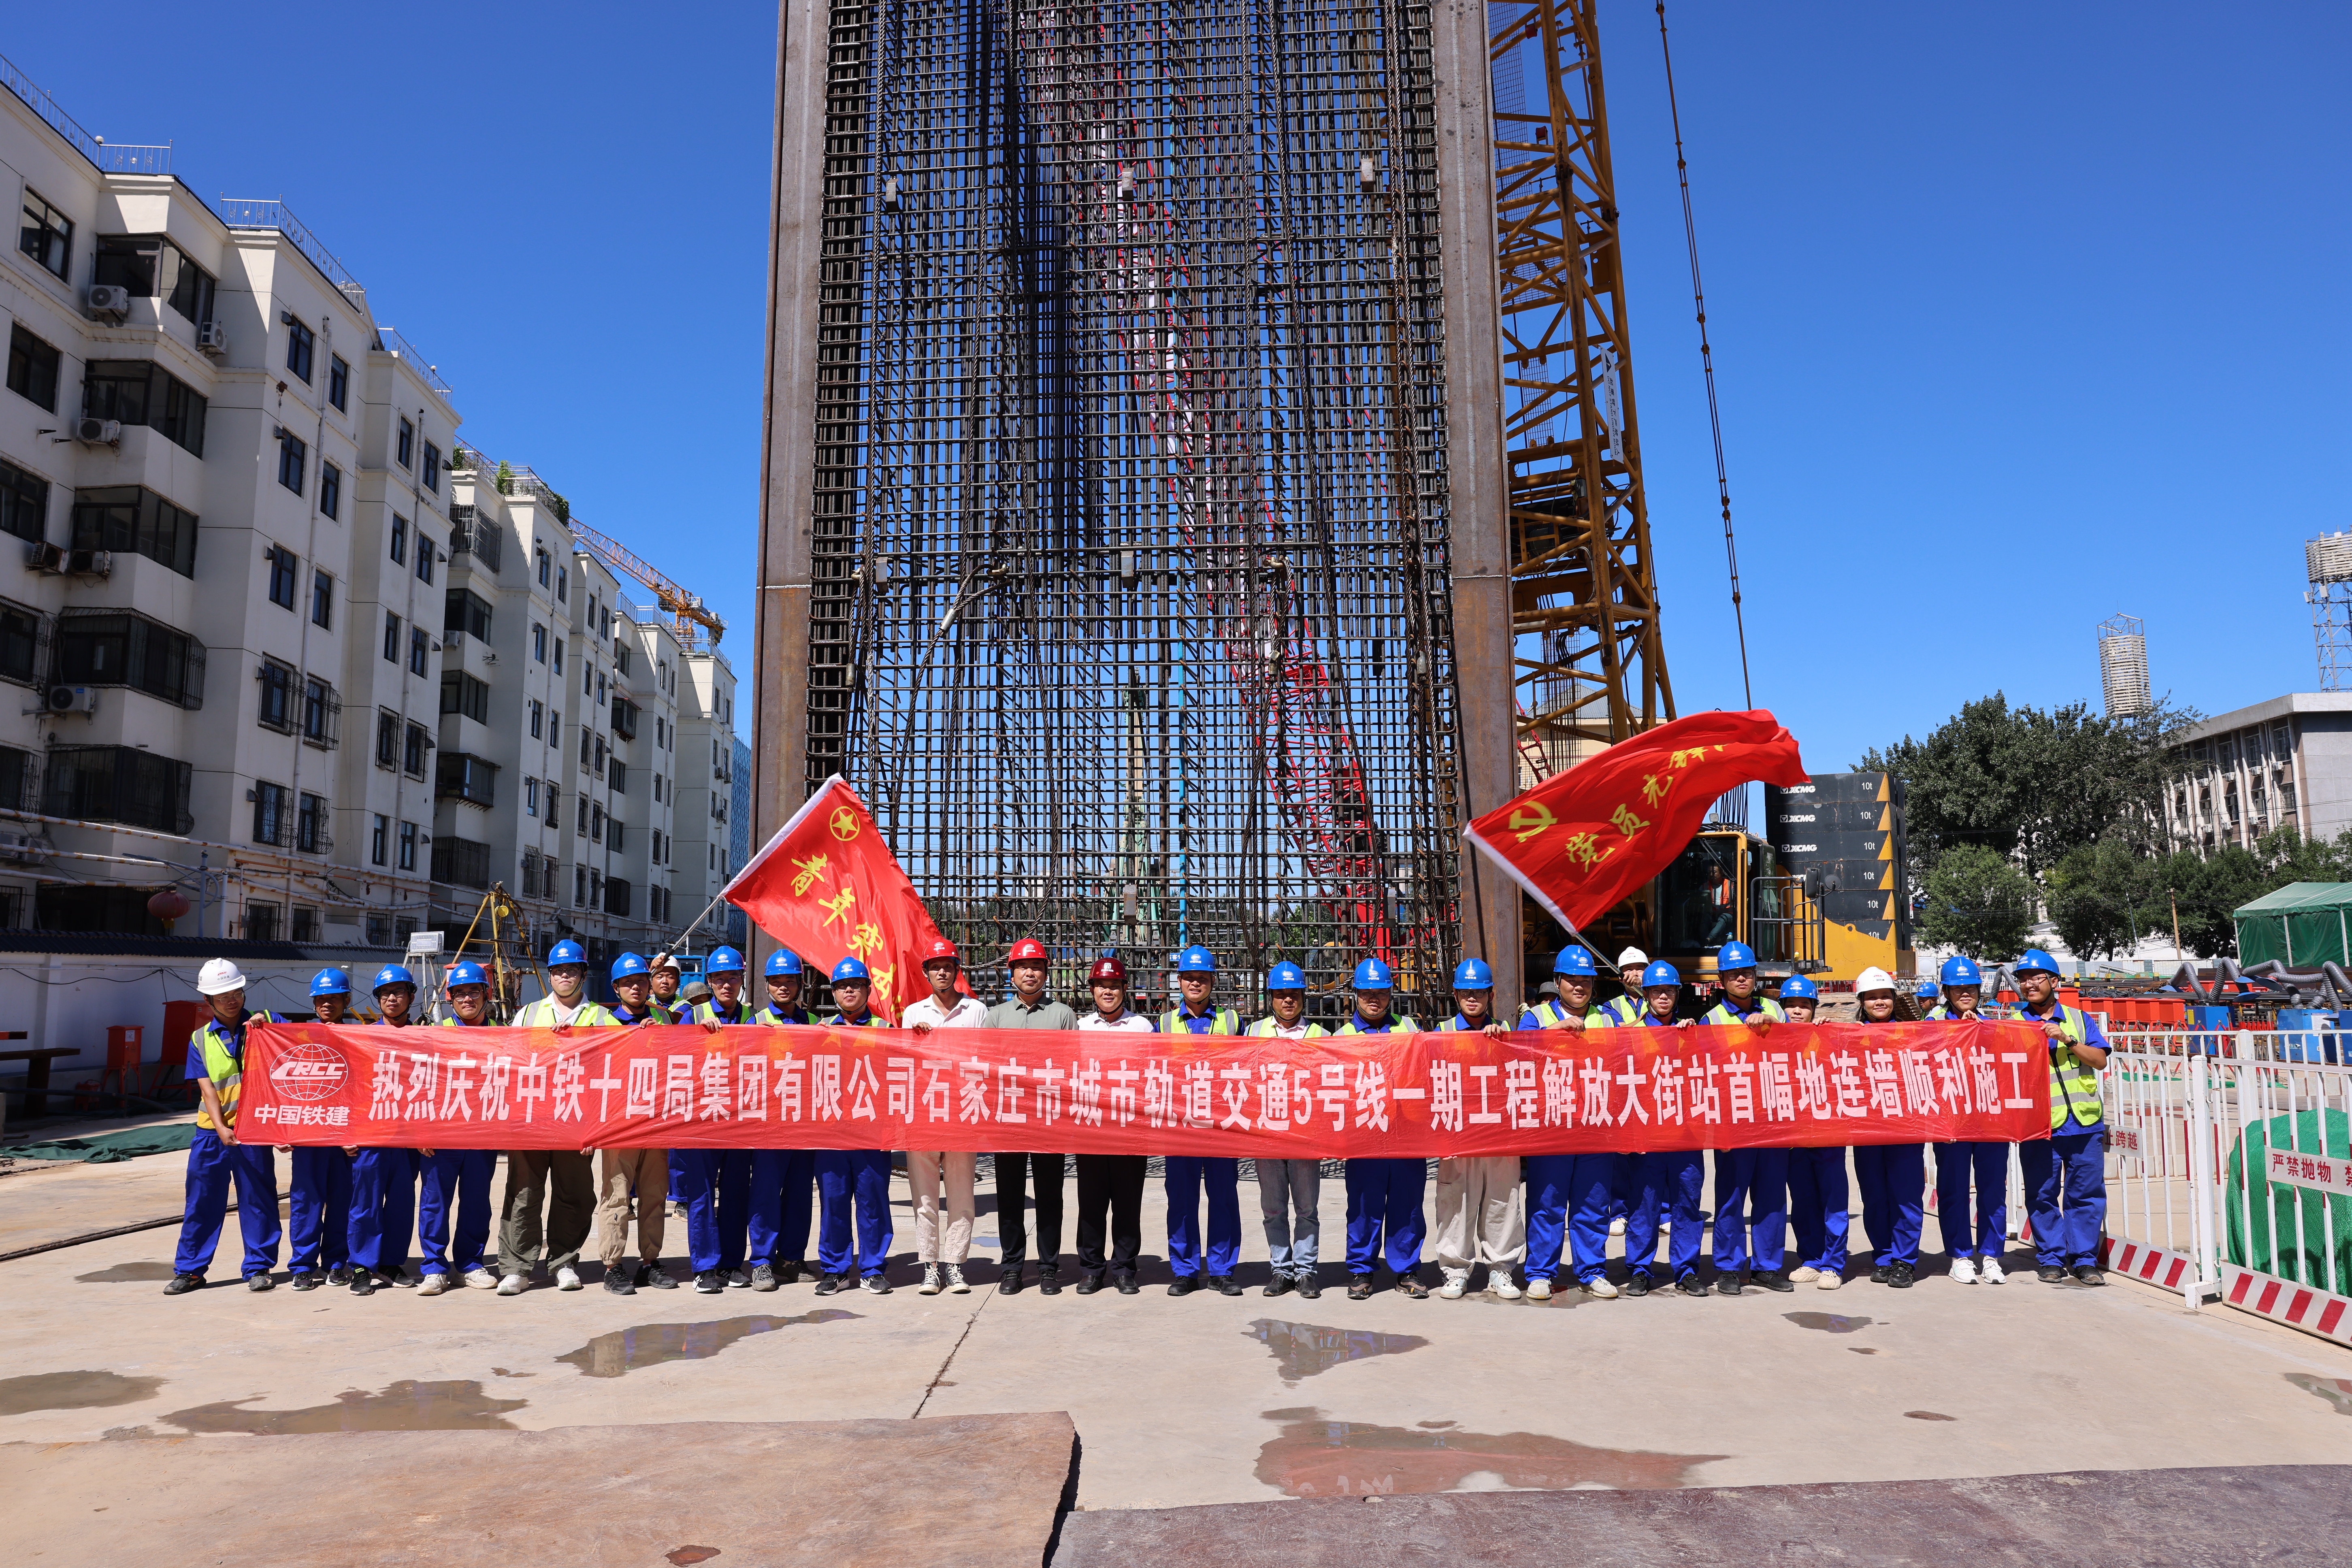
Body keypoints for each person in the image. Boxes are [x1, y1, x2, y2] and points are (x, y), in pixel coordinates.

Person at [165, 959, 286, 1294]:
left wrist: (269, 1025)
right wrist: (220, 1128)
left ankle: (259, 1268)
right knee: (203, 1202)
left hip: (254, 1131)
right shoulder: (199, 1039)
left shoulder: (267, 1023)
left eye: (236, 992)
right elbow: (207, 1088)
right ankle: (190, 1271)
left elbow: (300, 1044)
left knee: (258, 1200)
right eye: (222, 996)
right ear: (208, 1001)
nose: (231, 1000)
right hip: (211, 1133)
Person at [494, 954, 613, 1295]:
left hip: (577, 1121)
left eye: (571, 970)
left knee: (573, 1195)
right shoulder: (529, 1014)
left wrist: (597, 1128)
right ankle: (517, 1268)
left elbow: (616, 1069)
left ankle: (564, 1262)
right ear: (550, 976)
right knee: (523, 1194)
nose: (565, 976)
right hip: (532, 1119)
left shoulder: (602, 1017)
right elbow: (511, 1063)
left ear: (583, 975)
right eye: (559, 971)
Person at [1522, 944, 1619, 1300]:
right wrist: (1555, 1033)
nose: (1579, 987)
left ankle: (1592, 1270)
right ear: (1558, 982)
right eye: (1572, 981)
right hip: (1553, 1126)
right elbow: (1521, 1057)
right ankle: (1540, 1273)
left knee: (1592, 1204)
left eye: (1586, 982)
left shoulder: (1608, 1019)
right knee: (1547, 1204)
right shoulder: (1537, 1017)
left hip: (1594, 1123)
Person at [2012, 948, 2110, 1285]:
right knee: (2042, 1195)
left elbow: (2099, 1060)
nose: (2029, 985)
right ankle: (2051, 1257)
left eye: (2036, 978)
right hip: (2040, 1127)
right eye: (2023, 980)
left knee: (2086, 1195)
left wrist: (2067, 1040)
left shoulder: (2080, 1020)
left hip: (2084, 1124)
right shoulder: (2015, 1024)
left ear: (2054, 981)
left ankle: (2084, 1259)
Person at [1700, 942, 1793, 1295]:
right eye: (1734, 974)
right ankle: (1728, 1267)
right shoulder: (1712, 1019)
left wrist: (1772, 1024)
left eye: (1748, 972)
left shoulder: (1774, 1009)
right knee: (1731, 1197)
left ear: (1756, 975)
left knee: (1771, 1197)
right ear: (1722, 980)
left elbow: (1795, 1048)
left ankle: (1767, 1267)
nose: (1742, 978)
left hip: (1772, 1117)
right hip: (1733, 1122)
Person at [1432, 958, 1526, 1301]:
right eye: (1466, 992)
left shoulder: (1506, 1033)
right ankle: (1455, 1271)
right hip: (1457, 1134)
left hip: (1499, 1135)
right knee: (1455, 1204)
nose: (1473, 998)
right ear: (1456, 994)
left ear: (1490, 995)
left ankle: (1501, 1270)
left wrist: (1503, 1043)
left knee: (1503, 1202)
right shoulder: (1440, 1033)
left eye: (1480, 993)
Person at [987, 937, 1076, 1295]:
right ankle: (1011, 1269)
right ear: (1012, 975)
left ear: (1046, 973)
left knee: (1049, 1196)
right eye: (1023, 967)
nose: (1030, 973)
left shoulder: (1063, 1015)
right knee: (1009, 1196)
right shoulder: (996, 1017)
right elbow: (985, 1069)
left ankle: (1048, 1268)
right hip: (1008, 1119)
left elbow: (1073, 1067)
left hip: (1049, 1120)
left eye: (1037, 967)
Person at [1616, 960, 1707, 1297]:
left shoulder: (1692, 1031)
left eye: (1669, 990)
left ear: (1677, 993)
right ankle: (1640, 1269)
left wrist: (1691, 1037)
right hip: (1648, 1135)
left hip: (1686, 1135)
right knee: (1644, 1205)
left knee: (1687, 1204)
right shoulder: (1634, 1032)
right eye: (1656, 991)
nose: (1663, 996)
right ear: (1647, 994)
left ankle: (1686, 1269)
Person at [1338, 959, 1427, 1300]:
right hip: (1364, 1136)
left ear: (1391, 993)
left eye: (1381, 992)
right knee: (1363, 1205)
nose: (1373, 999)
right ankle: (1361, 1271)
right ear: (1356, 995)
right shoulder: (1343, 1038)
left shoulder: (1409, 1029)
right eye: (1366, 993)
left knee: (1408, 1204)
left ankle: (1407, 1269)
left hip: (1406, 1134)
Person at [1159, 944, 1244, 1298]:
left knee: (1223, 1197)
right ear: (1179, 981)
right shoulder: (1164, 1023)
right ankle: (1185, 1270)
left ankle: (1222, 1270)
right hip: (1181, 1125)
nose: (1196, 983)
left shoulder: (1233, 1021)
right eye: (1190, 978)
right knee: (1181, 1199)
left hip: (1222, 1124)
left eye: (1203, 978)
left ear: (1213, 981)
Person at [414, 966, 505, 1297]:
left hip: (484, 1135)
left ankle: (470, 1264)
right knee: (435, 1202)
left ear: (487, 995)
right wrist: (421, 1131)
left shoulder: (506, 1036)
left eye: (475, 992)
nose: (468, 999)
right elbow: (422, 1085)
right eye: (460, 993)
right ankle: (435, 1268)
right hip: (443, 1135)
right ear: (450, 998)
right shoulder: (437, 1034)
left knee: (477, 1202)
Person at [905, 937, 988, 1294]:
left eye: (948, 965)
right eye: (935, 966)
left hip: (962, 1112)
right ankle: (930, 1266)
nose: (942, 971)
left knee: (961, 1195)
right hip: (923, 1113)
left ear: (957, 971)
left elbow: (986, 1061)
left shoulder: (976, 1011)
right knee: (923, 1198)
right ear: (926, 973)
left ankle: (955, 1265)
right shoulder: (913, 1013)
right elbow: (903, 1062)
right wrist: (916, 1040)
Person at [677, 946, 756, 1294]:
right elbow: (672, 1057)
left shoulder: (753, 1017)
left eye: (733, 978)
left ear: (742, 980)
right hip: (703, 1118)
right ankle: (704, 1268)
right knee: (702, 1195)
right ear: (709, 982)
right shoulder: (692, 1016)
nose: (727, 984)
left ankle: (729, 1264)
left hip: (740, 1121)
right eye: (720, 979)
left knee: (738, 1193)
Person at [814, 957, 895, 1296]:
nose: (849, 990)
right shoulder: (820, 1031)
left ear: (867, 990)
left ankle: (873, 1268)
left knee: (873, 1202)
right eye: (843, 986)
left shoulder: (887, 1030)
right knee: (833, 1202)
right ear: (834, 992)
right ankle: (835, 1270)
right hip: (831, 1133)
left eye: (857, 985)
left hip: (871, 1133)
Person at [1073, 955, 1153, 1295]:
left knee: (1127, 1203)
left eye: (1114, 986)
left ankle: (1124, 1268)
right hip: (1091, 1127)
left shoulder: (1143, 1027)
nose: (1108, 992)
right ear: (1093, 991)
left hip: (1129, 1128)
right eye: (1102, 986)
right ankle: (1092, 1269)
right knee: (1090, 1204)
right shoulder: (1080, 1028)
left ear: (1125, 989)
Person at [1928, 955, 2009, 1285]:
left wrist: (1980, 1030)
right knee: (1954, 1190)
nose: (1965, 993)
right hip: (1951, 1122)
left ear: (1980, 990)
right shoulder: (1932, 1024)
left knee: (1993, 1191)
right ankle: (1960, 1256)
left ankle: (1991, 1256)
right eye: (1958, 988)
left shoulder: (1993, 1024)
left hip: (1989, 1119)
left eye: (1971, 988)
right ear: (1946, 991)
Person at [347, 965, 426, 1297]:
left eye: (398, 993)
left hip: (407, 1138)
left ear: (411, 997)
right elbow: (350, 1088)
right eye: (385, 994)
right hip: (371, 1135)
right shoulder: (363, 1038)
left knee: (400, 1203)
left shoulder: (426, 1038)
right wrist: (347, 1134)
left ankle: (392, 1262)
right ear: (378, 1000)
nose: (391, 998)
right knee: (365, 1203)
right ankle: (362, 1266)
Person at [1249, 961, 1325, 1300]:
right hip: (1267, 1134)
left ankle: (1306, 1271)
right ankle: (1281, 1270)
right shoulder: (1253, 1033)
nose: (1288, 1001)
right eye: (1281, 995)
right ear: (1271, 998)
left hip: (1306, 1137)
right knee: (1273, 1209)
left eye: (1294, 995)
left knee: (1307, 1209)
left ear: (1303, 997)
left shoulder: (1321, 1036)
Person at [1850, 965, 1926, 1289]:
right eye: (1872, 998)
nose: (1879, 1002)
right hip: (1866, 1130)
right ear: (1862, 1001)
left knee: (1906, 1196)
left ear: (1894, 999)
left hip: (1905, 1128)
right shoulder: (1848, 1035)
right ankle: (1883, 1257)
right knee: (1875, 1197)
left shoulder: (1914, 1032)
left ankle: (1904, 1260)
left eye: (1885, 996)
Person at [748, 948, 816, 1290]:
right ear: (768, 986)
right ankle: (761, 1261)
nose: (784, 987)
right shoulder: (756, 1023)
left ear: (800, 983)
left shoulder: (815, 1023)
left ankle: (791, 1258)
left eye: (790, 980)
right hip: (769, 1125)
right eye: (777, 982)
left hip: (804, 1126)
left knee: (800, 1195)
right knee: (764, 1194)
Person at [285, 968, 356, 1292]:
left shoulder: (360, 1038)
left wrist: (355, 1133)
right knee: (305, 1202)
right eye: (321, 999)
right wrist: (282, 1130)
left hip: (344, 1136)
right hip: (309, 1134)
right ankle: (302, 1265)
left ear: (346, 1001)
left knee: (343, 1202)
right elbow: (281, 1085)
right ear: (314, 1004)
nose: (327, 1004)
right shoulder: (297, 1035)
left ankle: (336, 1263)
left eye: (333, 998)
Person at [1777, 974, 1847, 1290]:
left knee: (1833, 1199)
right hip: (1794, 1135)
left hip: (1828, 1131)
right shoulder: (1773, 1041)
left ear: (1814, 1009)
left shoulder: (1829, 1035)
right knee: (1803, 1200)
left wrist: (1838, 1031)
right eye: (1790, 1005)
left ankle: (1833, 1264)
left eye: (1804, 1005)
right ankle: (1811, 1259)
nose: (1796, 1011)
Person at [651, 952, 688, 1219]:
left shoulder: (687, 1009)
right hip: (646, 1082)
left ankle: (681, 1199)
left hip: (676, 1081)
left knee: (678, 1146)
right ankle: (631, 1197)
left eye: (671, 976)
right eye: (660, 976)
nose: (665, 982)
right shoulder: (641, 1002)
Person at [1604, 949, 1650, 1026]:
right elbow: (1620, 1032)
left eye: (1640, 969)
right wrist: (1642, 1018)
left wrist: (1643, 983)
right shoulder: (1611, 1005)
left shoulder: (1657, 997)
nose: (1635, 974)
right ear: (1620, 977)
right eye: (1629, 969)